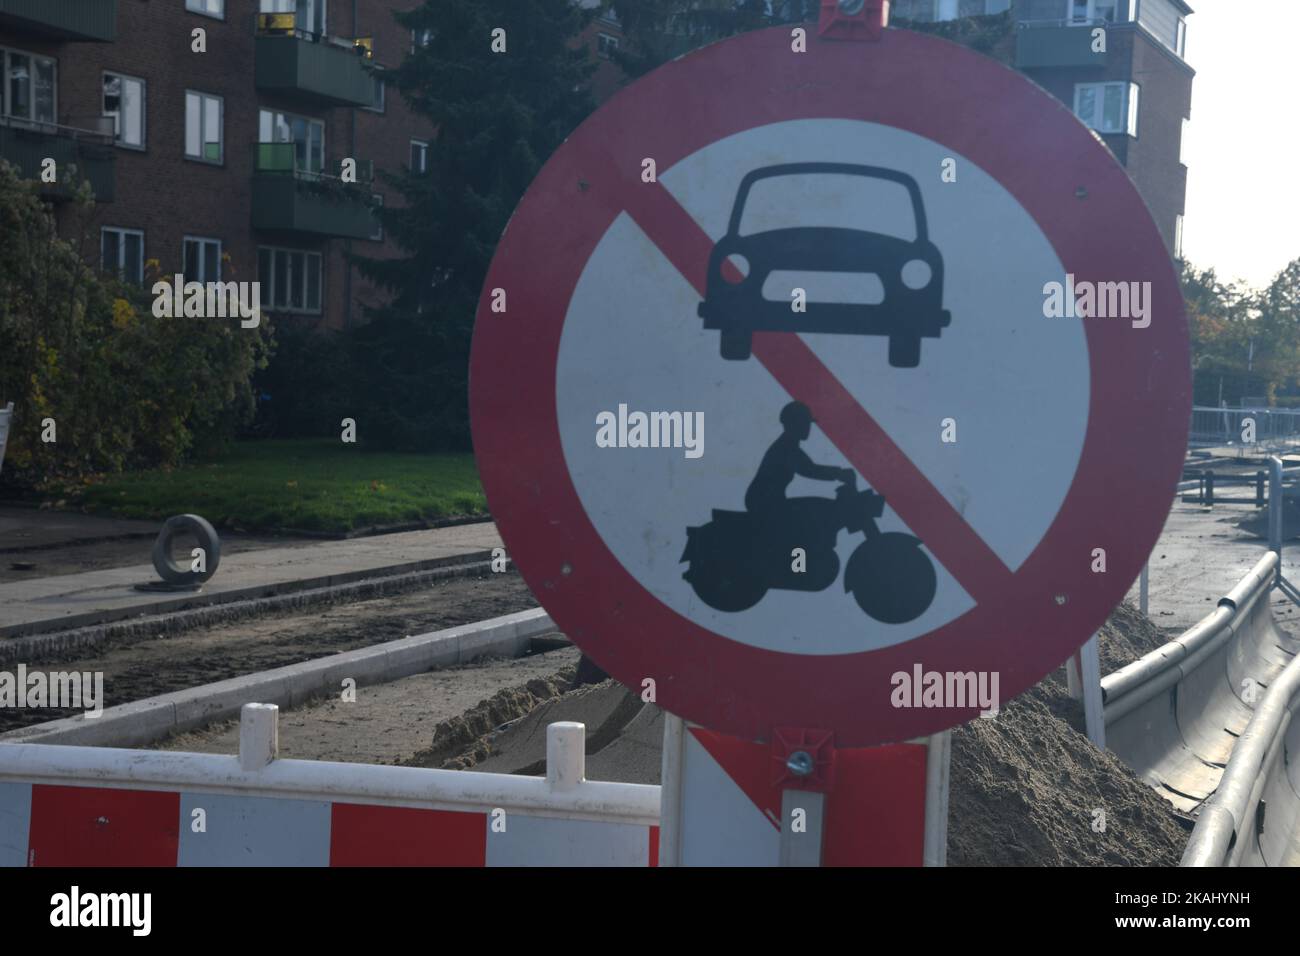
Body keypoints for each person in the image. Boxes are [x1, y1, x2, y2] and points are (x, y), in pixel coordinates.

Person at [744, 401, 854, 523]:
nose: (808, 428)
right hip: (764, 504)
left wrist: (838, 473)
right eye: (804, 423)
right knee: (816, 508)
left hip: (769, 502)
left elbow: (808, 467)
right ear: (792, 424)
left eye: (808, 423)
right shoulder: (785, 447)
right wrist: (839, 474)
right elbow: (809, 469)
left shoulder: (789, 445)